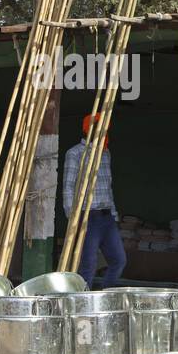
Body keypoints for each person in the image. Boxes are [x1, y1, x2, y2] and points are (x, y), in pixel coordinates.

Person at [62, 114, 126, 289]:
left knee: (118, 261)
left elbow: (108, 186)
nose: (104, 132)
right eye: (100, 128)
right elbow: (68, 187)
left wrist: (114, 214)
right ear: (89, 129)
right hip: (87, 218)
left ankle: (104, 298)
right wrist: (72, 217)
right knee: (87, 267)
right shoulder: (75, 153)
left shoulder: (105, 153)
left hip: (107, 217)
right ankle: (84, 308)